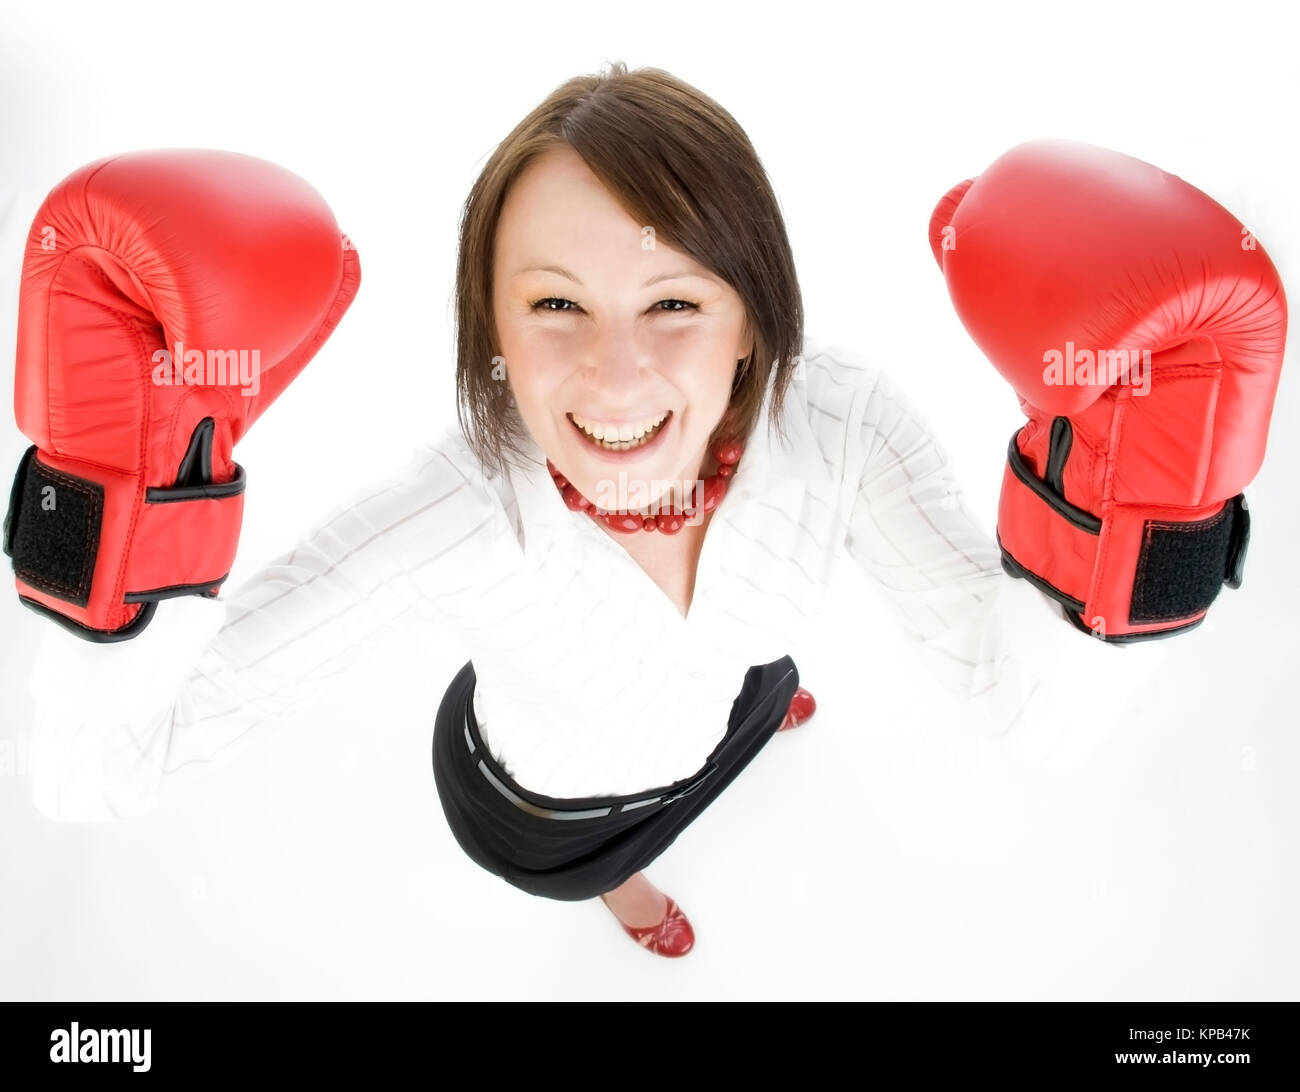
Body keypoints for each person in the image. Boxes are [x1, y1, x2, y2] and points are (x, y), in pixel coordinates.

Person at [10, 63, 1284, 961]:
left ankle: (752, 704)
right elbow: (87, 773)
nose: (614, 376)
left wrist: (1128, 507)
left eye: (674, 302)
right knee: (611, 858)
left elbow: (1035, 719)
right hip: (556, 804)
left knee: (749, 674)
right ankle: (621, 892)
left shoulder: (837, 424)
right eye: (554, 305)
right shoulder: (451, 516)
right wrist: (121, 481)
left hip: (730, 689)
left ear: (752, 319)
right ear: (490, 336)